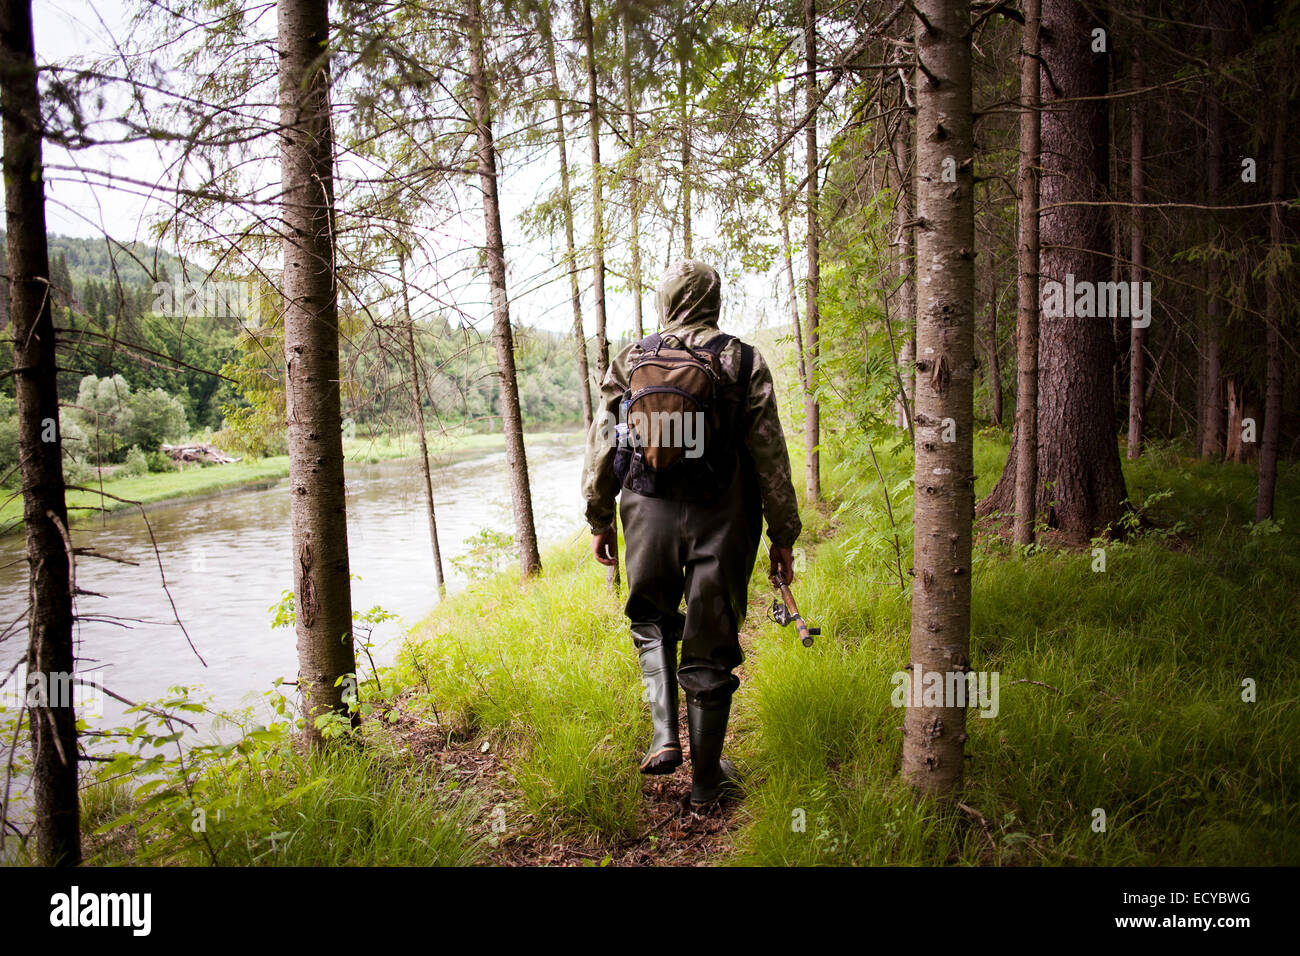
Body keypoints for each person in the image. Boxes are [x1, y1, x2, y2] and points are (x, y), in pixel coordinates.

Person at [581, 259, 802, 810]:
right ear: (713, 300)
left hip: (645, 509)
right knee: (711, 637)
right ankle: (706, 782)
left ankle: (664, 736)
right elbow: (769, 451)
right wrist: (783, 532)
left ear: (665, 301)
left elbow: (603, 441)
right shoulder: (743, 359)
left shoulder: (632, 358)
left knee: (651, 618)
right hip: (722, 518)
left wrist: (600, 516)